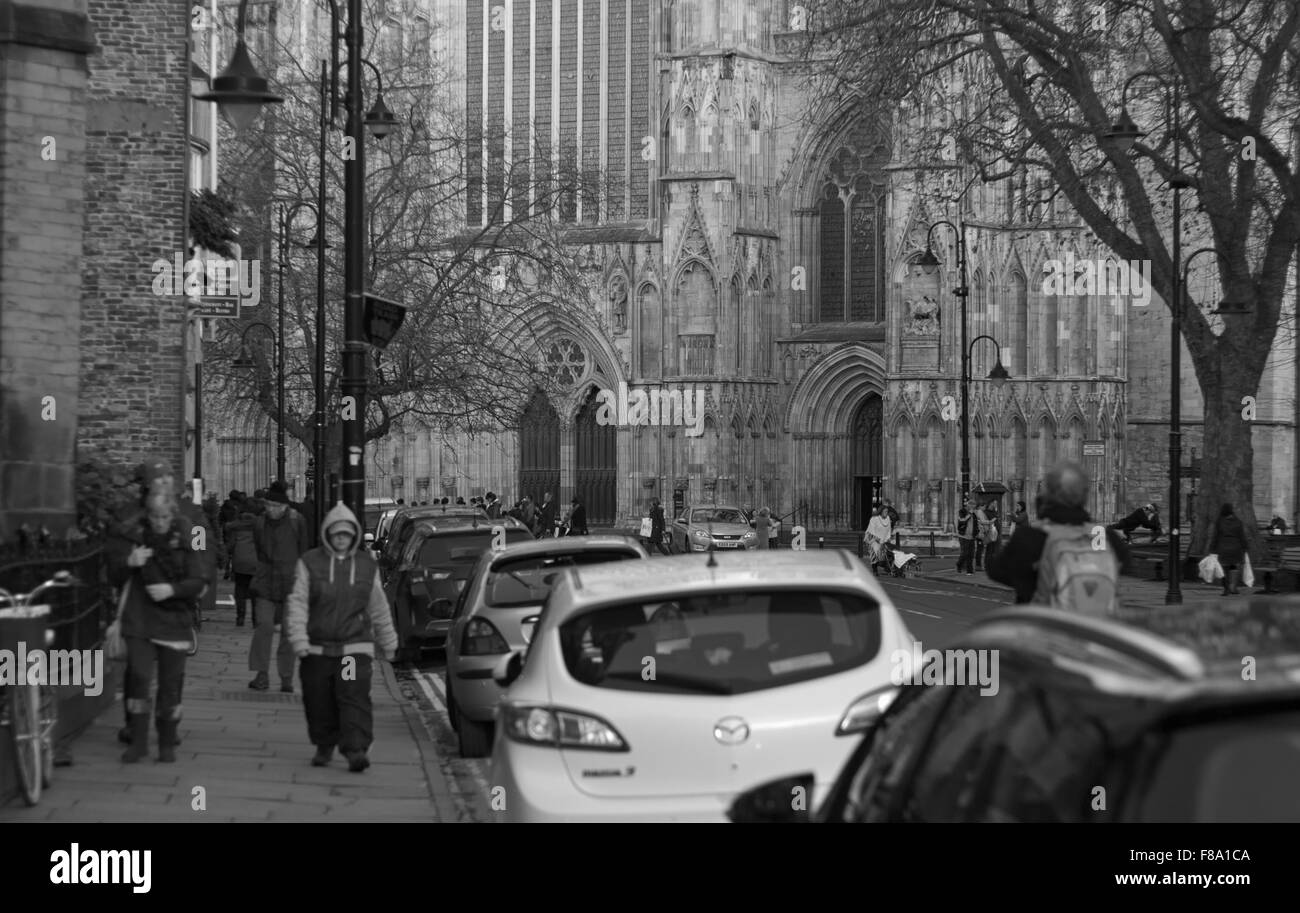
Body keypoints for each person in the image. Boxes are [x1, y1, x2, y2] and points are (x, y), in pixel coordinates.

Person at [106, 457, 206, 763]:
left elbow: (200, 573)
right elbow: (112, 571)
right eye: (158, 480)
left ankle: (166, 736)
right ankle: (136, 737)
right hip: (139, 618)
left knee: (170, 683)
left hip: (173, 619)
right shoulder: (129, 525)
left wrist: (177, 591)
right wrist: (129, 562)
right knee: (138, 677)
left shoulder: (189, 523)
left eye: (167, 479)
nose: (160, 521)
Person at [286, 503, 399, 772]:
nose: (340, 538)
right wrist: (298, 638)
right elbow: (298, 602)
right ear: (327, 534)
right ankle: (324, 745)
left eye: (346, 534)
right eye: (336, 533)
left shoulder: (364, 565)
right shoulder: (310, 562)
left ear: (354, 536)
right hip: (317, 649)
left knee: (352, 697)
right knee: (319, 701)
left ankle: (356, 749)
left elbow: (378, 606)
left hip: (352, 649)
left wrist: (389, 642)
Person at [987, 461, 1130, 612]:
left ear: (1048, 494)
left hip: (1048, 626)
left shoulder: (1033, 536)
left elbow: (997, 571)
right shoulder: (1106, 535)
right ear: (1085, 496)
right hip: (1095, 628)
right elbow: (1125, 565)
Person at [249, 486, 309, 693]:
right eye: (268, 505)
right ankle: (261, 674)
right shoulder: (259, 523)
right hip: (265, 583)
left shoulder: (296, 521)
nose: (271, 509)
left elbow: (304, 552)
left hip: (291, 583)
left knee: (288, 632)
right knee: (263, 627)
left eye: (275, 505)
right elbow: (259, 550)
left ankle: (286, 678)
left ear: (285, 506)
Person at [224, 509, 258, 626]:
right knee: (255, 592)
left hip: (240, 563)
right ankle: (255, 619)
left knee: (240, 591)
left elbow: (230, 546)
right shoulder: (259, 529)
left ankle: (240, 618)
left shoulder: (236, 529)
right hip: (255, 564)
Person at [1210, 503, 1247, 596]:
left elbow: (1215, 536)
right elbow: (1242, 536)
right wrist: (1245, 546)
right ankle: (1233, 587)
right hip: (1236, 547)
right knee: (1234, 567)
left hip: (1223, 547)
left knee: (1223, 568)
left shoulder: (1219, 521)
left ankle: (1226, 589)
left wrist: (1212, 548)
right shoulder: (1238, 521)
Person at [864, 504, 893, 576]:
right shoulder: (874, 519)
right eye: (885, 511)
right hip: (874, 539)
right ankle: (874, 570)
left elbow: (889, 529)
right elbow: (871, 529)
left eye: (887, 511)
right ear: (881, 511)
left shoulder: (888, 519)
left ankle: (887, 567)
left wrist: (888, 538)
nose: (886, 513)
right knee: (875, 553)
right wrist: (876, 538)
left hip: (884, 539)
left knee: (887, 553)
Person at [956, 497, 977, 576]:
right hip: (963, 535)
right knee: (964, 553)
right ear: (968, 505)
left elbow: (976, 524)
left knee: (971, 554)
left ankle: (970, 571)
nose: (972, 507)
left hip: (972, 536)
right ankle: (959, 564)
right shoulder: (962, 511)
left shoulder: (974, 513)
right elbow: (962, 520)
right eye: (971, 505)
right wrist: (969, 514)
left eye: (974, 506)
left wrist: (977, 532)